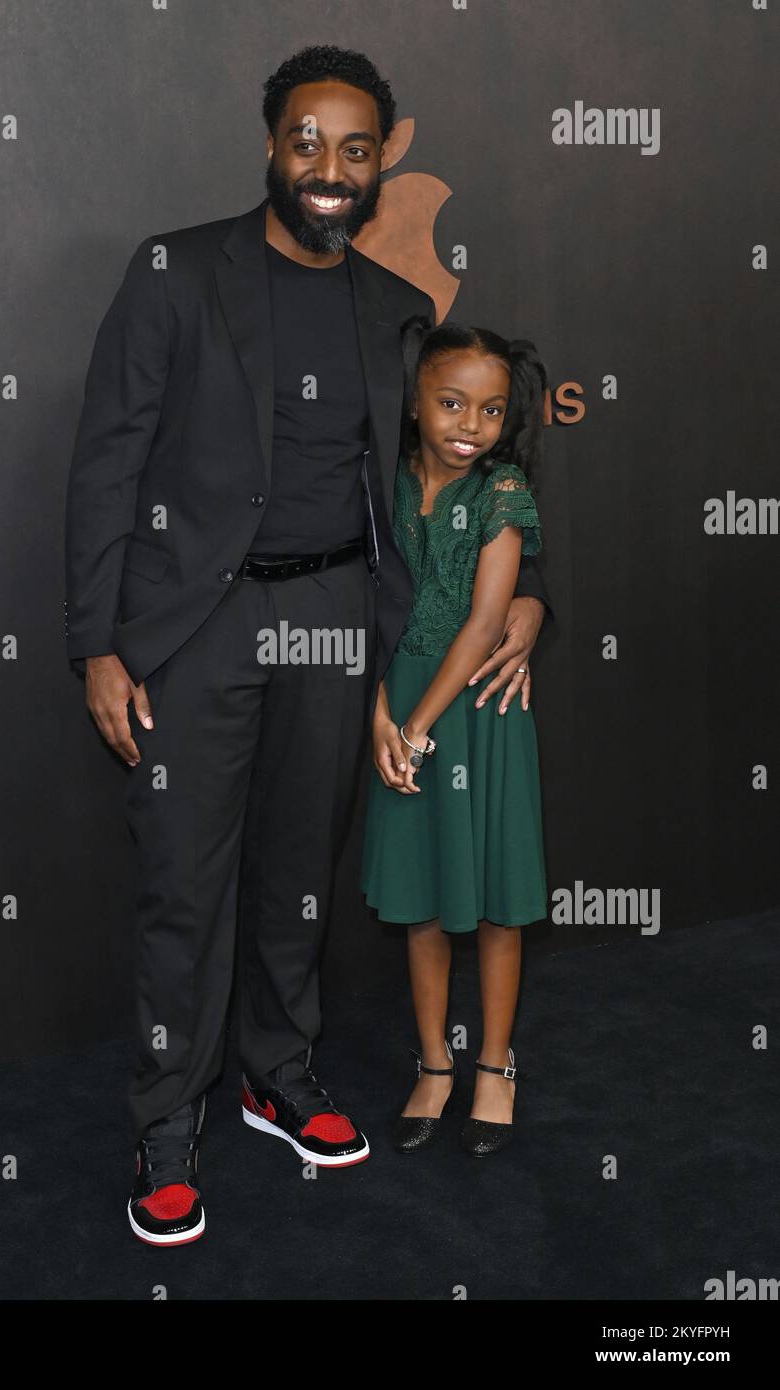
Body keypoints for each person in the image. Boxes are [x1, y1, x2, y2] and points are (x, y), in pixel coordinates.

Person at [64, 46, 554, 1247]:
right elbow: (107, 463)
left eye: (354, 149)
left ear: (380, 161)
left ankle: (277, 1072)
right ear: (271, 146)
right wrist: (97, 644)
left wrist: (528, 589)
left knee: (297, 871)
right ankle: (167, 1118)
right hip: (195, 627)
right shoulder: (176, 271)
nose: (329, 170)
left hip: (339, 625)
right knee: (187, 883)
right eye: (305, 142)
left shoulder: (397, 316)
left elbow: (451, 475)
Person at [360, 317, 550, 1158]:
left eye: (490, 411)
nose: (469, 427)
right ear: (412, 403)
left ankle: (495, 1066)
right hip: (397, 703)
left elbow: (481, 626)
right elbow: (354, 610)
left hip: (473, 707)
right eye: (450, 404)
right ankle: (434, 1063)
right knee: (423, 901)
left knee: (497, 903)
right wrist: (376, 712)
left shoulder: (502, 493)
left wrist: (412, 725)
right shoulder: (382, 485)